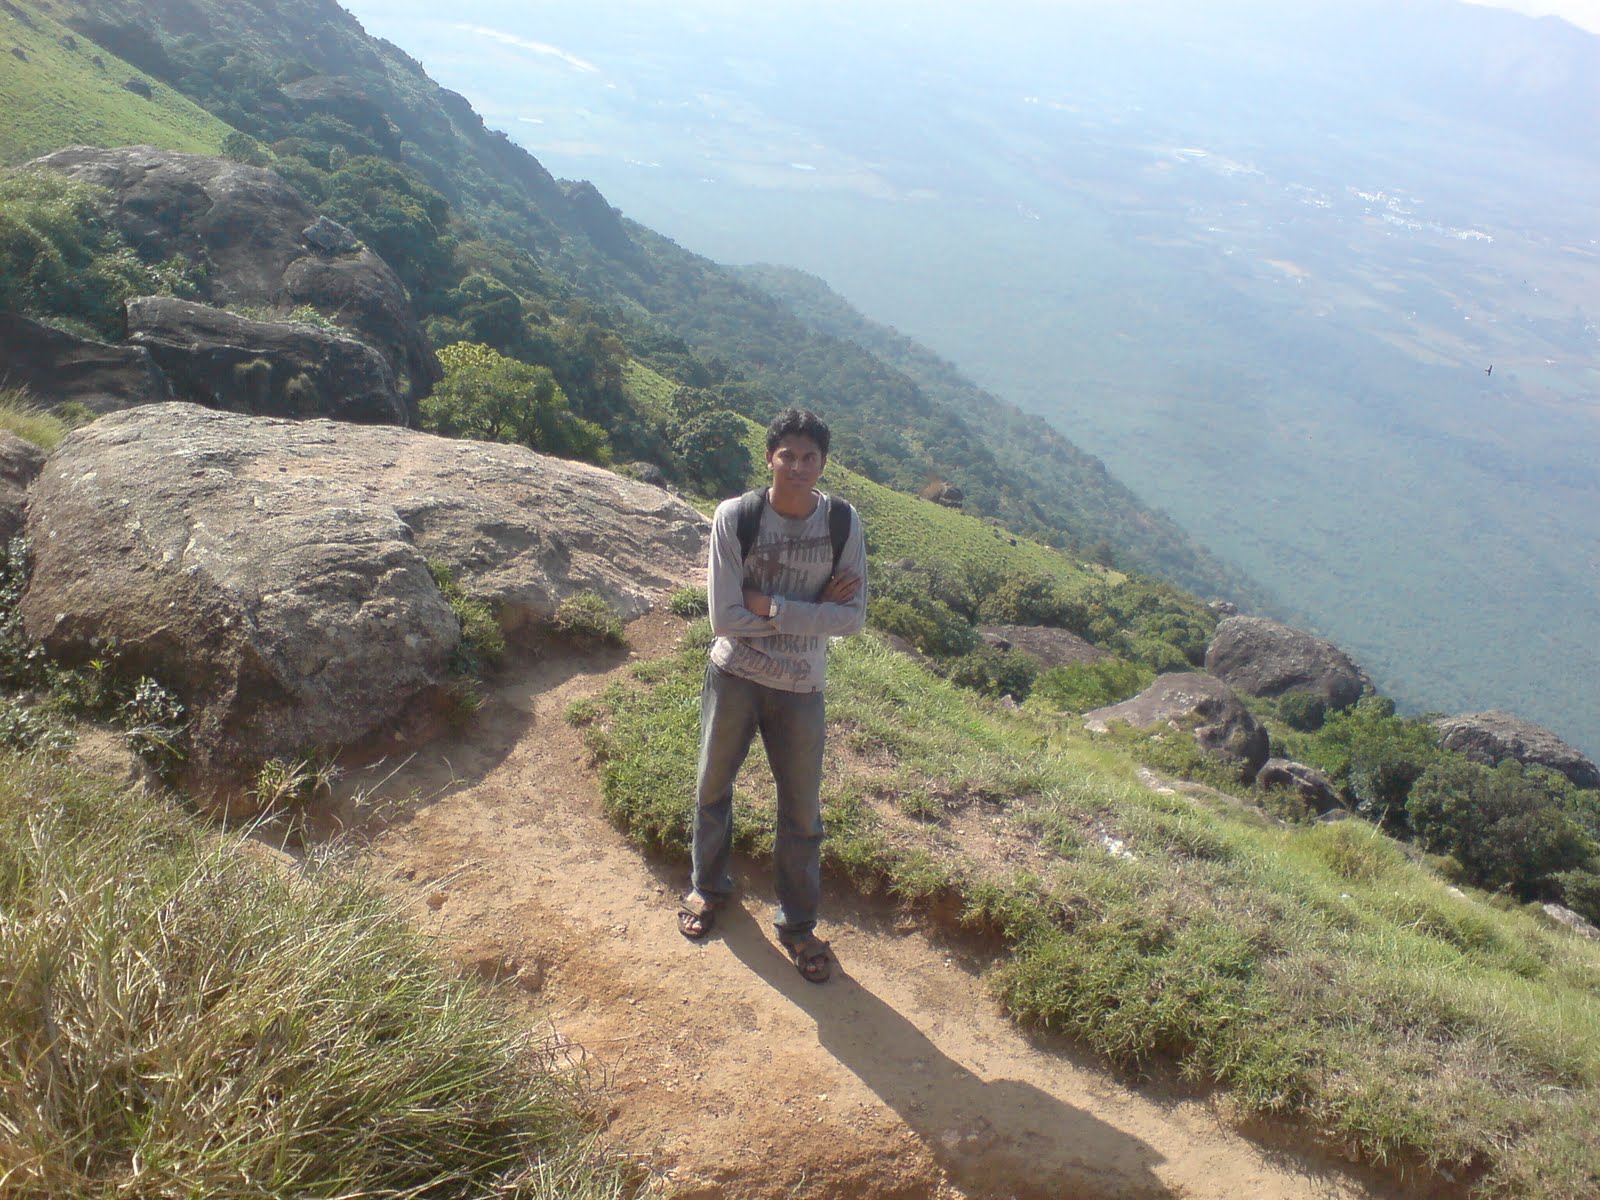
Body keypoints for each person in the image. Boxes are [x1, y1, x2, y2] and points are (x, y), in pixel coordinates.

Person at [676, 408, 867, 983]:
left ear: (823, 462)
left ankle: (798, 925)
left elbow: (852, 618)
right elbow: (724, 616)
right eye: (788, 454)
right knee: (712, 786)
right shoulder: (737, 517)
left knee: (802, 812)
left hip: (801, 687)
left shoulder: (842, 523)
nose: (799, 466)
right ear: (769, 458)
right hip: (735, 675)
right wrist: (814, 613)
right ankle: (707, 889)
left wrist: (774, 607)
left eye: (810, 457)